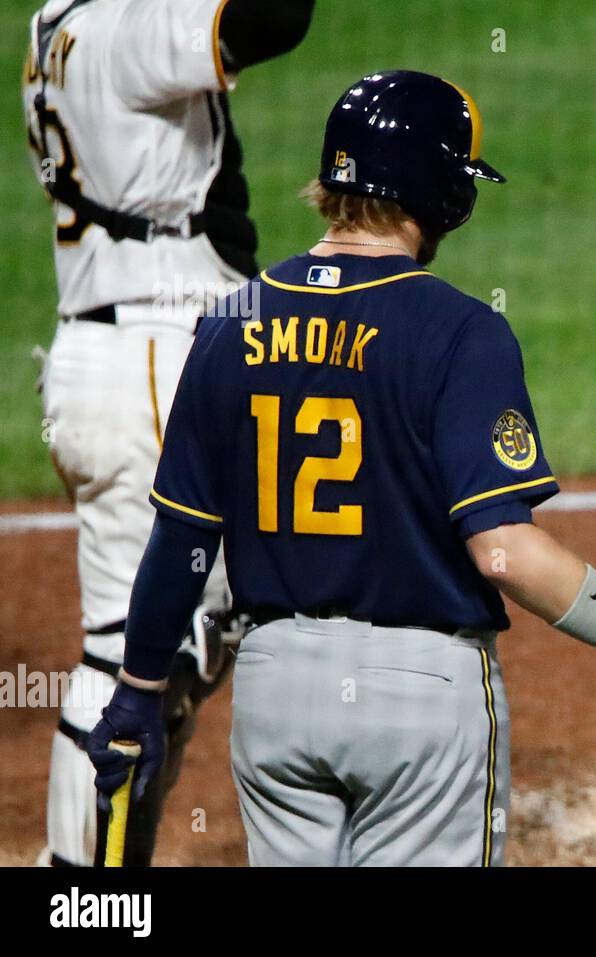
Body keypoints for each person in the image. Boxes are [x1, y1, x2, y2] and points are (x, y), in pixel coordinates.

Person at [86, 71, 596, 867]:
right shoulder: (460, 331)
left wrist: (139, 690)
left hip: (274, 693)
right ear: (437, 189)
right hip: (418, 698)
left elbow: (183, 537)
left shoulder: (230, 322)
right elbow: (503, 551)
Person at [22, 0, 314, 866]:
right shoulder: (128, 25)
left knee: (173, 643)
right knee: (134, 655)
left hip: (115, 351)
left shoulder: (57, 22)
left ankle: (95, 869)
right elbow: (275, 17)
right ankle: (86, 892)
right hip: (150, 358)